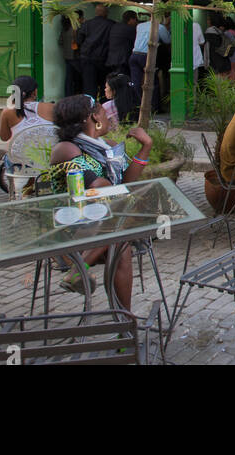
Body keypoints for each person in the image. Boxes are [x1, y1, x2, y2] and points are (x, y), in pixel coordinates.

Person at [47, 94, 151, 308]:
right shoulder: (67, 149)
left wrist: (145, 147)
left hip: (102, 221)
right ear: (93, 118)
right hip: (70, 227)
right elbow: (95, 187)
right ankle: (123, 321)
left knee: (119, 243)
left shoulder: (107, 146)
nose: (108, 114)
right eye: (103, 111)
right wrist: (112, 189)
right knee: (119, 232)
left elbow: (125, 183)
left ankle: (123, 322)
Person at [77, 4, 115, 100]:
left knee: (89, 86)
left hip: (87, 58)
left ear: (96, 12)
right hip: (103, 59)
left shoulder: (87, 24)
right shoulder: (111, 24)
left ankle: (90, 107)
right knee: (104, 85)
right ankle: (103, 107)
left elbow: (79, 40)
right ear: (106, 13)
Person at [129, 13, 171, 92]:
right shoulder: (160, 27)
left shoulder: (139, 26)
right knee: (152, 82)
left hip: (134, 55)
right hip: (146, 56)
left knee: (136, 82)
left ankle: (138, 102)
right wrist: (167, 27)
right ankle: (154, 103)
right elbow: (167, 40)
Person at [106, 11, 138, 80]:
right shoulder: (131, 29)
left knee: (114, 81)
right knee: (122, 81)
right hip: (123, 60)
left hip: (112, 59)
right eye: (136, 19)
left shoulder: (115, 26)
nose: (136, 22)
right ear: (131, 19)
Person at [59, 11, 83, 97]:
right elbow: (80, 41)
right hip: (76, 56)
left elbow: (60, 42)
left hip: (67, 56)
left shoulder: (65, 28)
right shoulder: (76, 28)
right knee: (80, 78)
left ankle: (68, 96)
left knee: (68, 78)